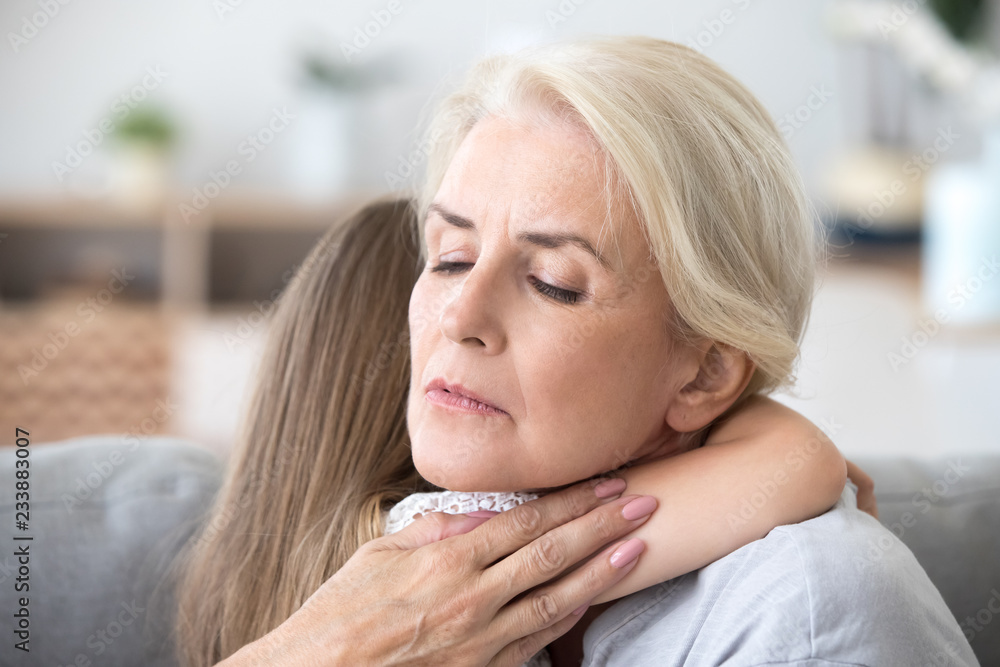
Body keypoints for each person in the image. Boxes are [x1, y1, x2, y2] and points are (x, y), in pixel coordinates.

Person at [175, 35, 969, 666]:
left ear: (706, 370)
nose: (460, 315)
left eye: (553, 282)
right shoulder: (407, 580)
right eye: (449, 257)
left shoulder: (804, 610)